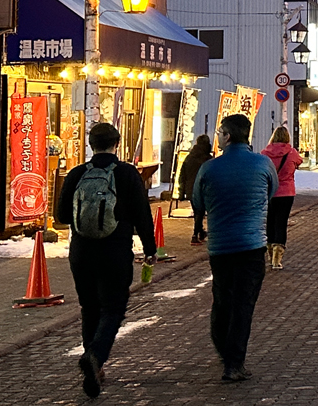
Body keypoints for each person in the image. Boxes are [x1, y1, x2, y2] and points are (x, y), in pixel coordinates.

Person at [55, 122, 156, 398]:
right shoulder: (126, 174)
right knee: (113, 309)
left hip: (81, 253)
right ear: (117, 143)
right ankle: (95, 356)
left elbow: (62, 216)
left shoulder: (76, 174)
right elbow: (142, 215)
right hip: (115, 252)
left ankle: (95, 368)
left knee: (89, 308)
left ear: (91, 144)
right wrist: (150, 248)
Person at [192, 114, 278, 382]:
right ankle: (234, 362)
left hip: (220, 247)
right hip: (252, 244)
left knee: (222, 299)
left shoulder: (209, 168)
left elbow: (197, 202)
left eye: (220, 132)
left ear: (227, 136)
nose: (218, 136)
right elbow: (271, 193)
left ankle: (224, 349)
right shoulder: (263, 164)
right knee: (243, 304)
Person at [261, 126, 303, 270]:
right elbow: (299, 162)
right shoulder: (292, 153)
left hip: (270, 192)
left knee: (270, 221)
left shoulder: (265, 153)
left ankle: (270, 251)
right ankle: (277, 259)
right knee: (281, 222)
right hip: (286, 193)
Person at [178, 135, 213, 245]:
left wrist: (181, 192)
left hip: (190, 190)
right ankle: (195, 235)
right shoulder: (208, 159)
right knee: (200, 213)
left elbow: (182, 175)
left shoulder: (189, 157)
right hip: (204, 189)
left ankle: (201, 232)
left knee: (197, 212)